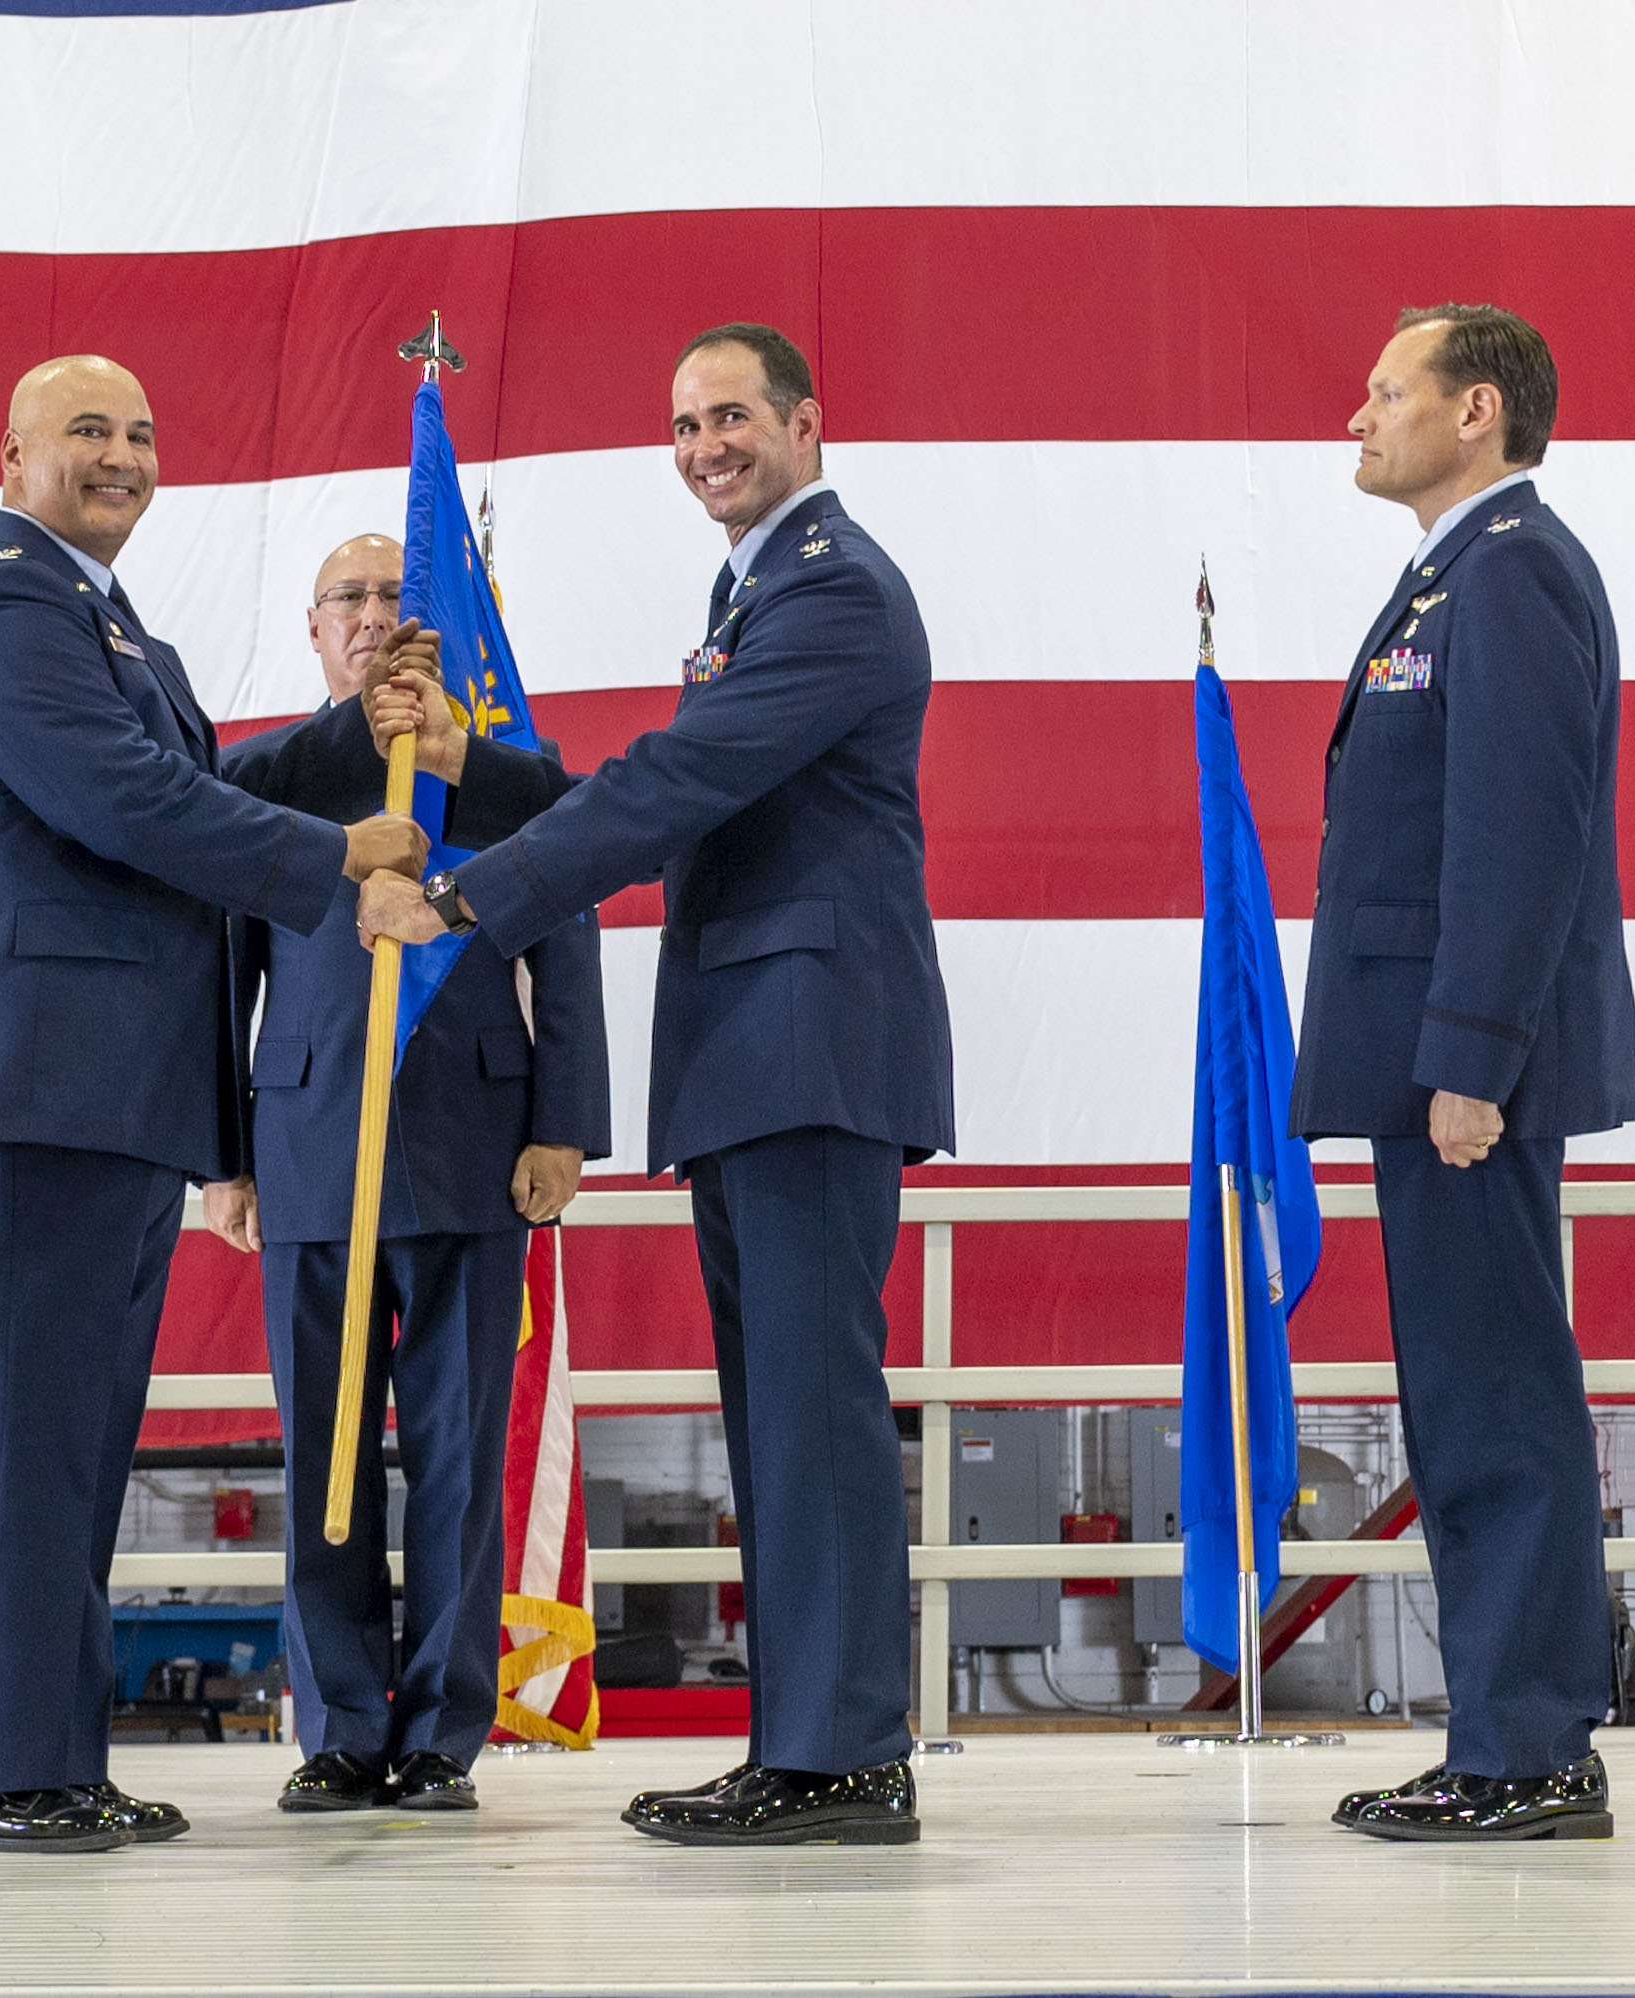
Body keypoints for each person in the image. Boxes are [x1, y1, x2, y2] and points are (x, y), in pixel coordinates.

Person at [359, 323, 954, 1847]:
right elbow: (661, 775)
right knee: (779, 1415)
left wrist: (478, 893)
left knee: (811, 1413)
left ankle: (840, 1753)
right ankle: (808, 1740)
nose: (704, 444)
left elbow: (681, 782)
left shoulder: (830, 589)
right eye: (685, 420)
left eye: (734, 414)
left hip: (811, 1047)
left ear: (810, 422)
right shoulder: (754, 586)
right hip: (762, 1050)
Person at [0, 355, 429, 1854]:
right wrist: (336, 856)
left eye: (140, 429)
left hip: (114, 1082)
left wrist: (348, 736)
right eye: (88, 430)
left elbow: (197, 772)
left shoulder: (109, 623)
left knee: (76, 1434)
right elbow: (127, 803)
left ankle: (43, 1753)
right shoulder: (4, 604)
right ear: (12, 458)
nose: (123, 453)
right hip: (46, 1067)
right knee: (25, 1422)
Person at [1290, 305, 1635, 1842]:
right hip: (1432, 1060)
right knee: (1466, 1403)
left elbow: (1519, 830)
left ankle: (1534, 1748)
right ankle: (1505, 1731)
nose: (1356, 418)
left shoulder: (1512, 574)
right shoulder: (1454, 572)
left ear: (1476, 409)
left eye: (1385, 392)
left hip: (1463, 1073)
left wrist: (1473, 1060)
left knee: (1494, 1408)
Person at [200, 532, 608, 1815]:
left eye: (397, 598)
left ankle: (439, 1730)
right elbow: (222, 984)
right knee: (323, 1450)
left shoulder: (512, 786)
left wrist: (565, 1126)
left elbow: (571, 947)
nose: (374, 618)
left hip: (475, 1145)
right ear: (315, 629)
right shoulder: (264, 781)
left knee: (456, 1455)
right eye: (350, 600)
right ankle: (337, 1724)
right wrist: (223, 1157)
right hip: (312, 1142)